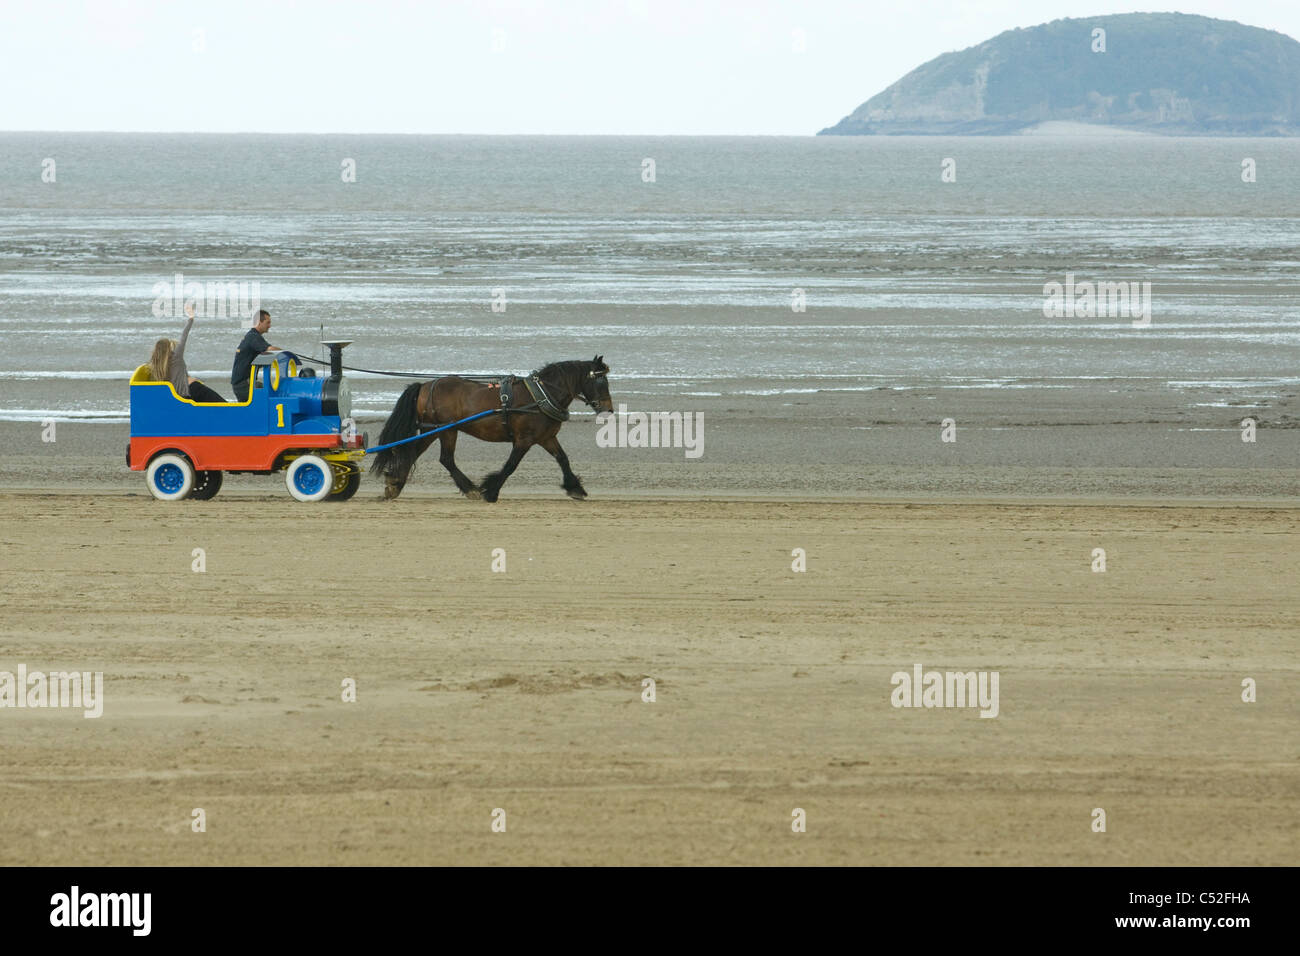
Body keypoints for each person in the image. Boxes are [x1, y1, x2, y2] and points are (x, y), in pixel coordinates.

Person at [148, 303, 227, 402]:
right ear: (168, 349)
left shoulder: (157, 365)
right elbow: (184, 336)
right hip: (193, 389)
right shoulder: (175, 357)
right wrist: (191, 318)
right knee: (222, 404)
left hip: (179, 396)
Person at [230, 308, 280, 401]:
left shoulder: (253, 336)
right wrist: (286, 352)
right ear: (259, 322)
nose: (270, 326)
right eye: (267, 322)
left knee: (269, 390)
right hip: (243, 385)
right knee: (268, 396)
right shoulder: (253, 337)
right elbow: (270, 349)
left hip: (244, 383)